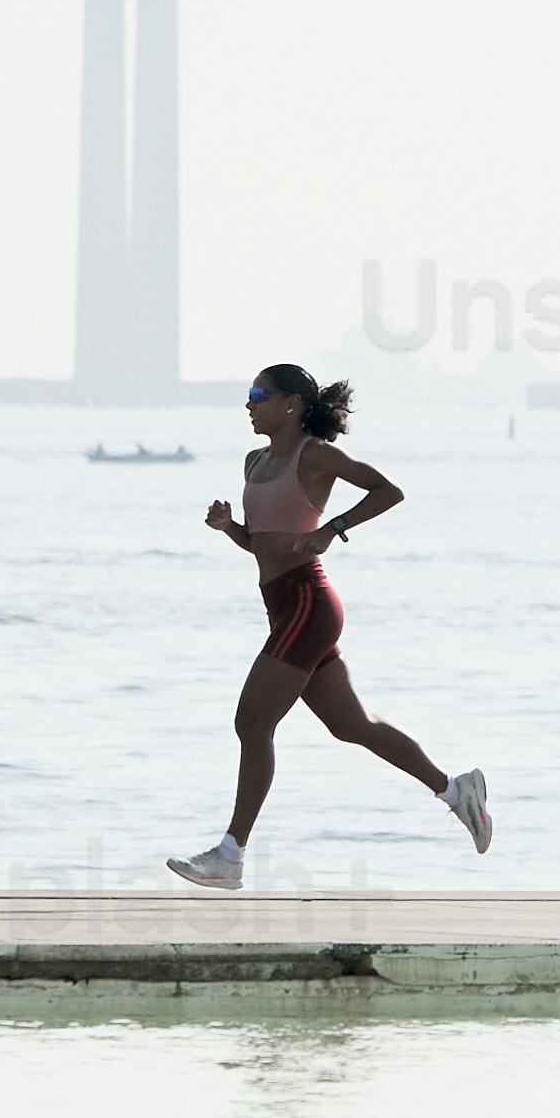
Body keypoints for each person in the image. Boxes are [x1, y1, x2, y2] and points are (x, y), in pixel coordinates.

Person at [172, 364, 490, 884]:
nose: (249, 404)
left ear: (292, 403)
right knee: (351, 727)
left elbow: (388, 491)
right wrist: (231, 529)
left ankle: (230, 856)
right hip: (283, 604)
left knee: (253, 722)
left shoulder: (315, 455)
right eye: (249, 396)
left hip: (307, 603)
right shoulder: (254, 461)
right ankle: (456, 790)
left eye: (259, 395)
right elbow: (264, 544)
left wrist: (334, 527)